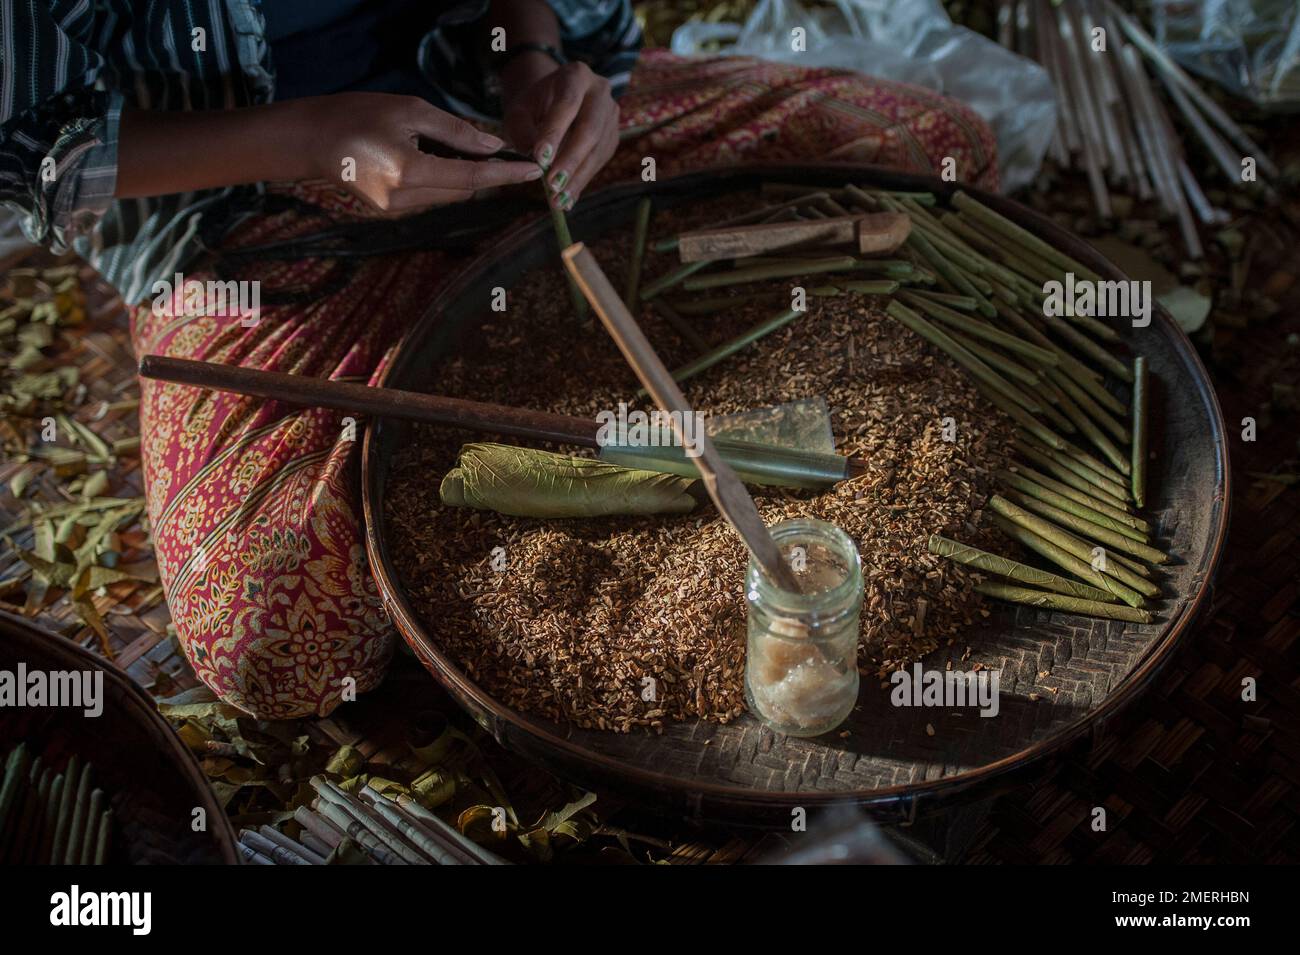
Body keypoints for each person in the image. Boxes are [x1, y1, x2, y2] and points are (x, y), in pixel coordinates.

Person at [0, 1, 998, 719]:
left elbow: (527, 28)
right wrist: (316, 138)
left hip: (485, 111)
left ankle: (481, 301)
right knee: (273, 643)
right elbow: (40, 157)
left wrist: (531, 58)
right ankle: (445, 325)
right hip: (247, 205)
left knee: (933, 150)